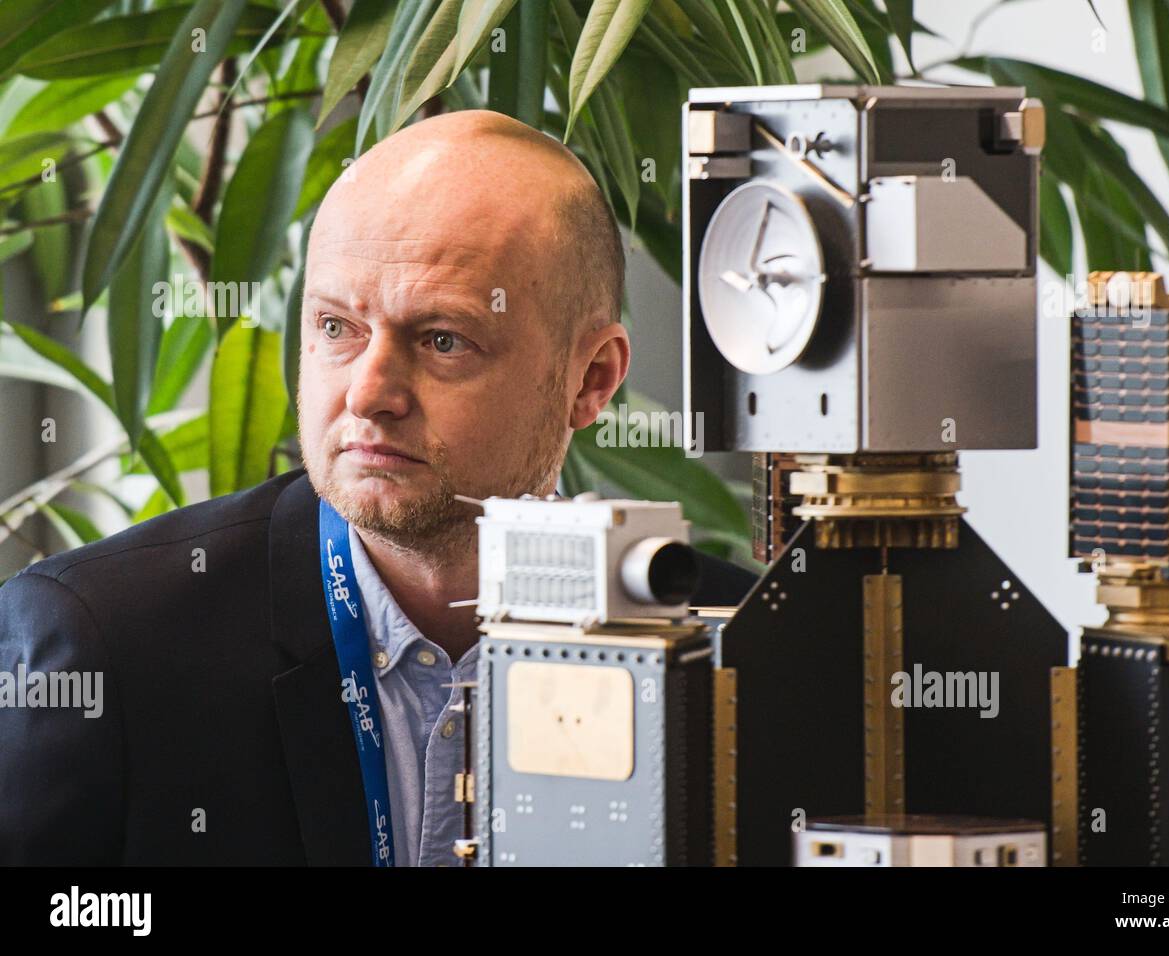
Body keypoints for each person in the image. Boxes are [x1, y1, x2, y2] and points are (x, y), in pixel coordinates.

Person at [0, 110, 757, 865]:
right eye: (336, 328)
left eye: (442, 340)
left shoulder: (737, 648)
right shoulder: (109, 640)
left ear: (590, 381)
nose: (368, 395)